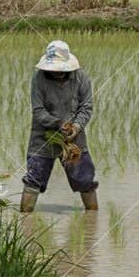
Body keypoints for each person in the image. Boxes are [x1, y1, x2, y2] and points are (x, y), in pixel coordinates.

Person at [20, 39, 98, 213]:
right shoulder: (39, 78)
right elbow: (38, 110)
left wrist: (75, 127)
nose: (56, 72)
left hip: (74, 139)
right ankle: (25, 222)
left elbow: (86, 107)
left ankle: (92, 222)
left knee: (85, 181)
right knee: (33, 180)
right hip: (42, 137)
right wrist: (57, 123)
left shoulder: (80, 77)